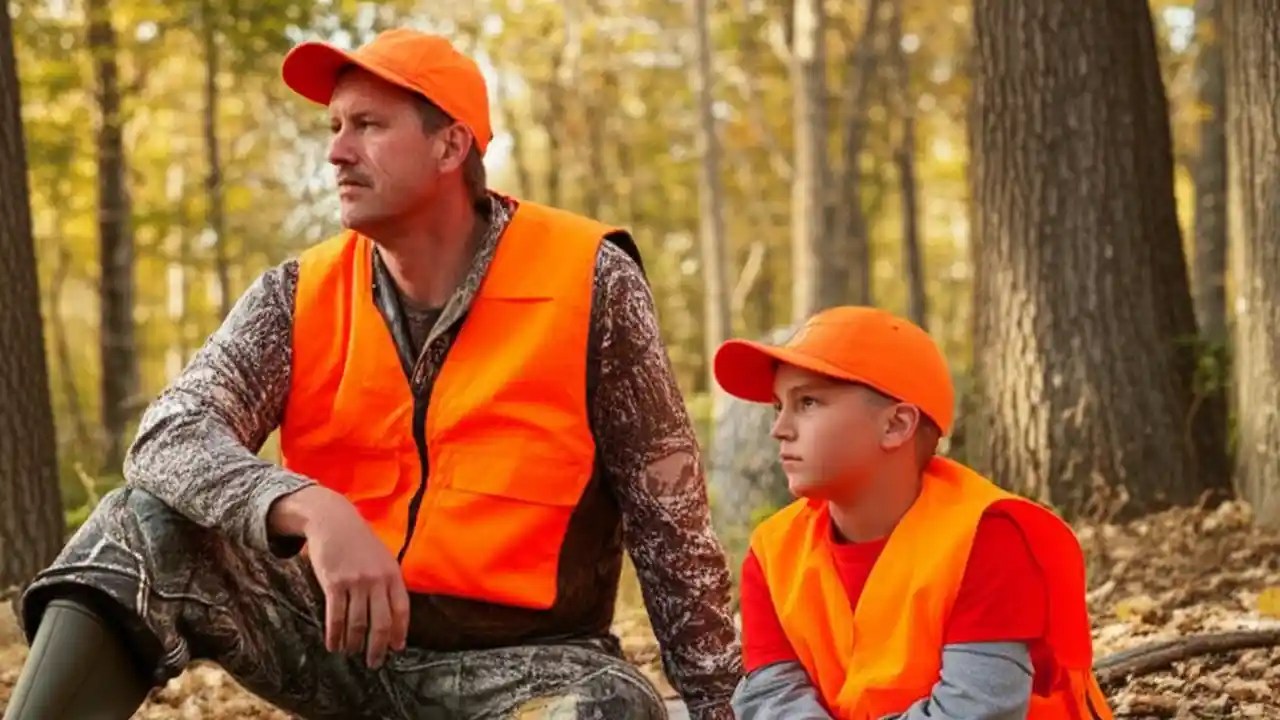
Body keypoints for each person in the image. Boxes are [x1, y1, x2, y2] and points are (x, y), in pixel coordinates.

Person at [4, 28, 742, 720]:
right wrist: (307, 507)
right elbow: (168, 434)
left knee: (608, 709)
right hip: (339, 647)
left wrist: (719, 708)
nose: (336, 152)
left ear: (451, 145)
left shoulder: (592, 282)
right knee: (136, 522)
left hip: (528, 666)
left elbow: (669, 519)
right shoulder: (297, 294)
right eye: (333, 128)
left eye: (368, 126)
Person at [713, 306, 1115, 720]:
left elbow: (977, 710)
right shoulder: (772, 553)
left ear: (896, 426)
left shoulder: (985, 536)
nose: (779, 428)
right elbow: (771, 697)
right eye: (777, 407)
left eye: (808, 402)